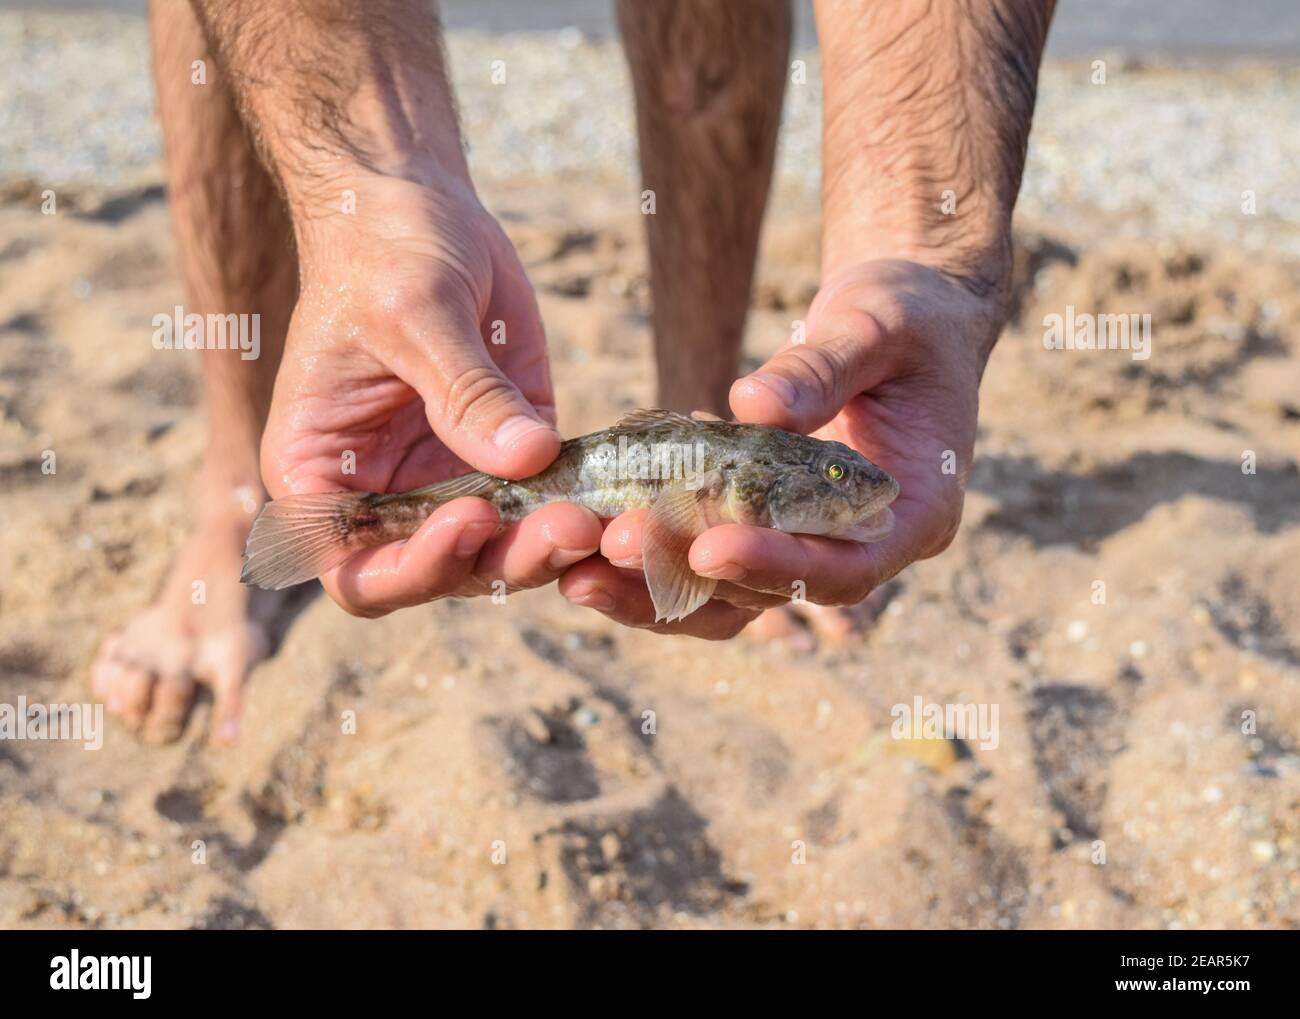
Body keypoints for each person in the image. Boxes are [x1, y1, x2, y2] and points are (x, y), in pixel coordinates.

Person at [91, 0, 1056, 744]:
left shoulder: (751, 479)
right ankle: (234, 488)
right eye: (836, 478)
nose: (854, 484)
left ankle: (699, 372)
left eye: (840, 478)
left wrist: (920, 251)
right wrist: (370, 196)